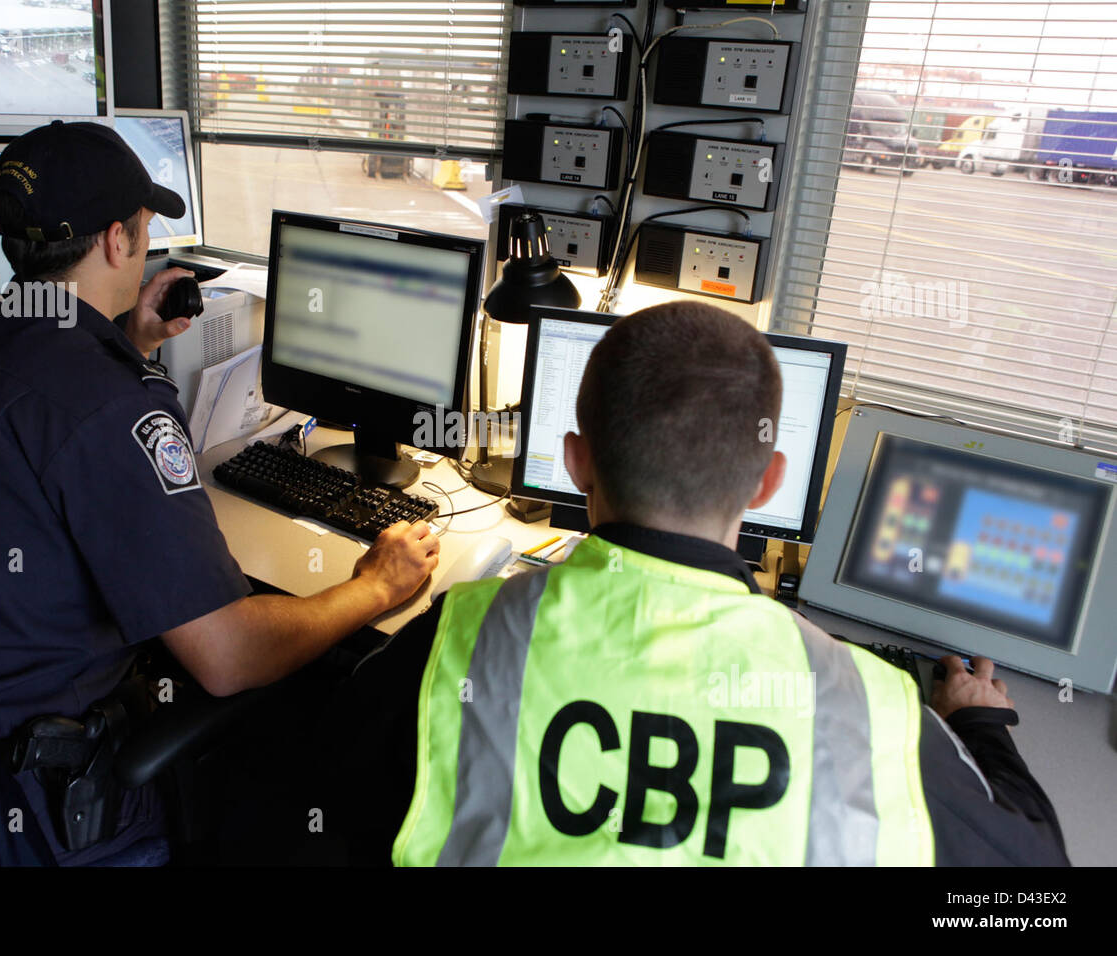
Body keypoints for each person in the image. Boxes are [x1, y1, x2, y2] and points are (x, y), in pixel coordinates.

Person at [0, 121, 438, 866]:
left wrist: (130, 349)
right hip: (36, 797)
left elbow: (43, 428)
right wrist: (375, 587)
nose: (148, 241)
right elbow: (227, 657)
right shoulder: (110, 406)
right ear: (116, 243)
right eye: (144, 226)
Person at [305, 300, 1069, 866]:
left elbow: (333, 789)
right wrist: (981, 728)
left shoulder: (462, 637)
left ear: (575, 461)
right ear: (768, 482)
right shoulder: (870, 708)